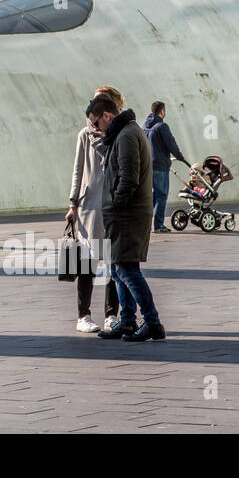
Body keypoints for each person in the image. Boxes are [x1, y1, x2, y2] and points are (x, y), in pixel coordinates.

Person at [85, 94, 166, 342]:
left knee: (127, 270)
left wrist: (117, 204)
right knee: (117, 269)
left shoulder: (127, 135)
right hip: (121, 214)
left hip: (127, 215)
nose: (95, 128)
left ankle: (152, 322)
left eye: (96, 123)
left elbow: (128, 178)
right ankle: (128, 321)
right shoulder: (122, 134)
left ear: (107, 116)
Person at [65, 86, 123, 334]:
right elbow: (78, 169)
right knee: (86, 260)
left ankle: (112, 314)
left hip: (112, 204)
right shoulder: (84, 135)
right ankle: (83, 314)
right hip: (88, 206)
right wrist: (72, 203)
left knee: (112, 261)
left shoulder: (120, 134)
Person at [143, 101, 189, 233]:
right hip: (160, 166)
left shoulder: (144, 127)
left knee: (150, 196)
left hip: (147, 166)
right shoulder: (161, 126)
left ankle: (144, 224)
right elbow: (171, 144)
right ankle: (159, 225)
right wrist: (180, 157)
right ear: (162, 111)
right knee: (161, 195)